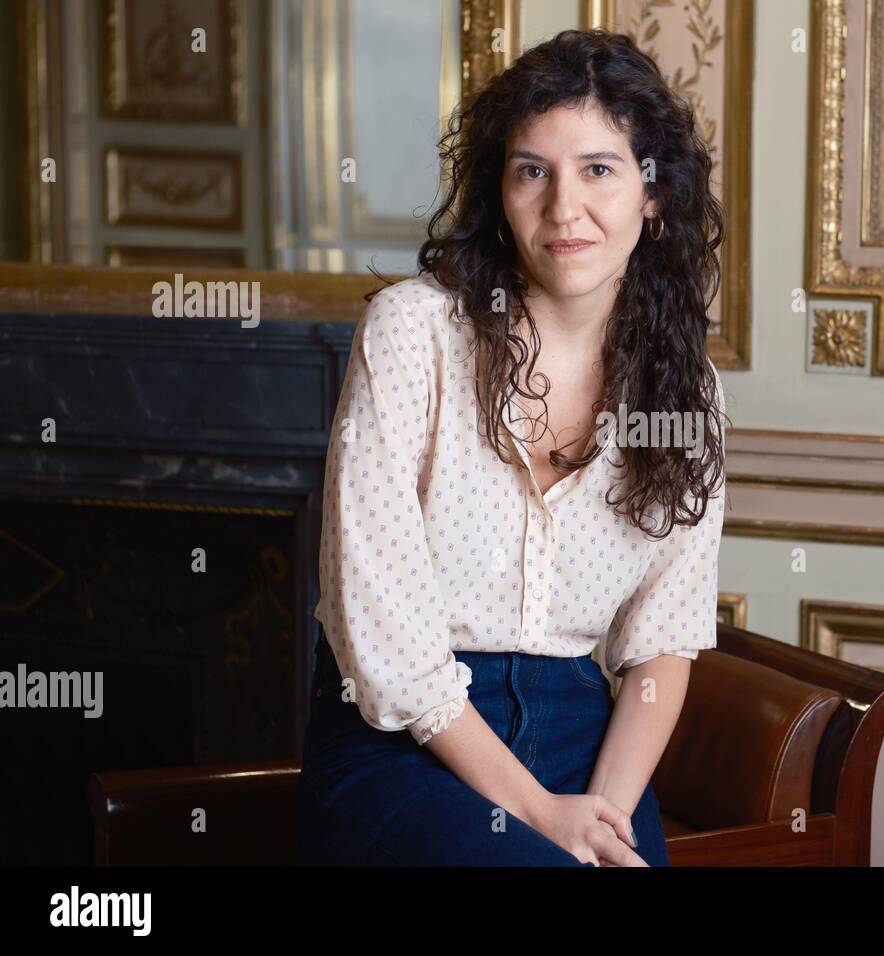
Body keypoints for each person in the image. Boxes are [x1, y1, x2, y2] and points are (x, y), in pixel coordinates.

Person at [297, 28, 728, 867]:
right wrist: (540, 815)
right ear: (500, 193)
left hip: (585, 731)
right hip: (404, 740)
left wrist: (600, 815)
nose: (564, 208)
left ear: (652, 194)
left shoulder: (689, 392)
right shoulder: (414, 335)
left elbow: (661, 643)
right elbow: (384, 642)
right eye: (533, 171)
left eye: (598, 169)